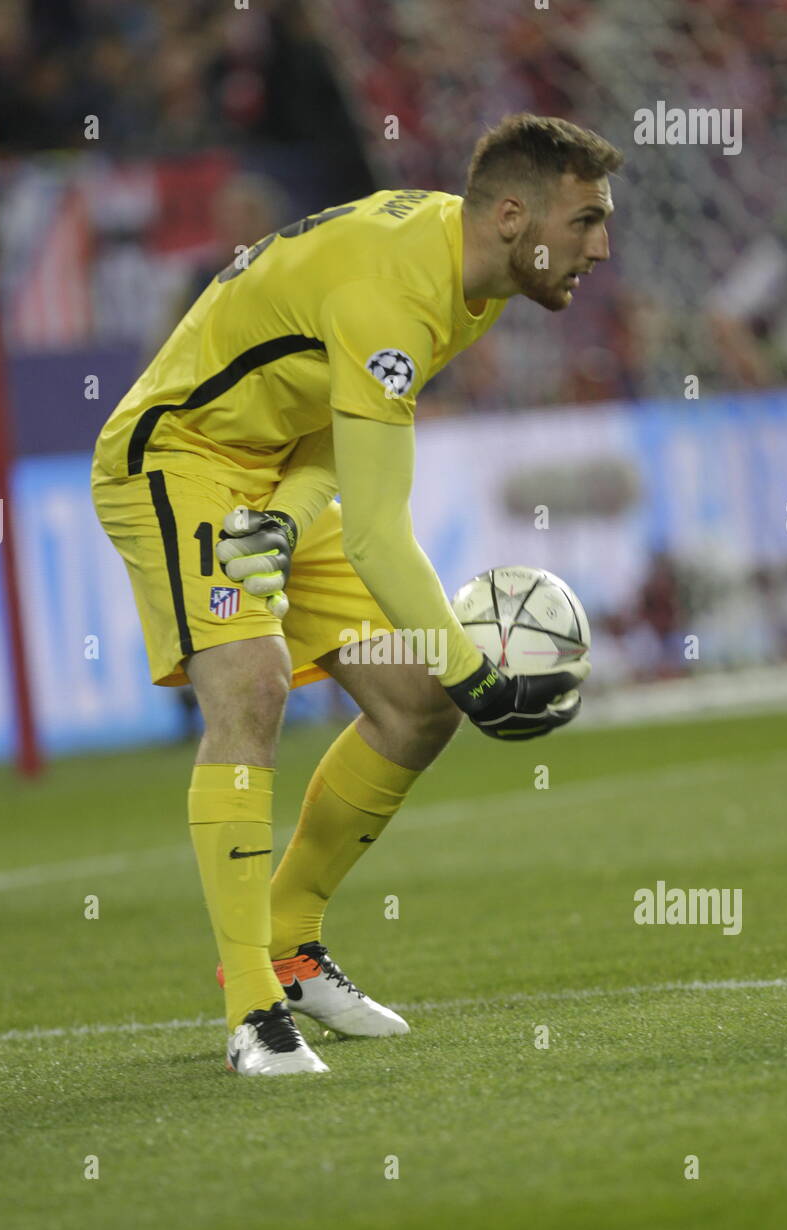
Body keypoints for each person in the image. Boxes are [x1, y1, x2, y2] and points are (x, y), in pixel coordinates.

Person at [91, 114, 622, 1077]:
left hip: (281, 472)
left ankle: (291, 942)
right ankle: (253, 1009)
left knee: (416, 705)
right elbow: (380, 534)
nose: (602, 246)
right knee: (252, 687)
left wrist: (291, 521)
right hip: (177, 455)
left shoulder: (478, 279)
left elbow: (342, 430)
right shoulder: (402, 288)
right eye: (586, 220)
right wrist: (482, 677)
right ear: (513, 214)